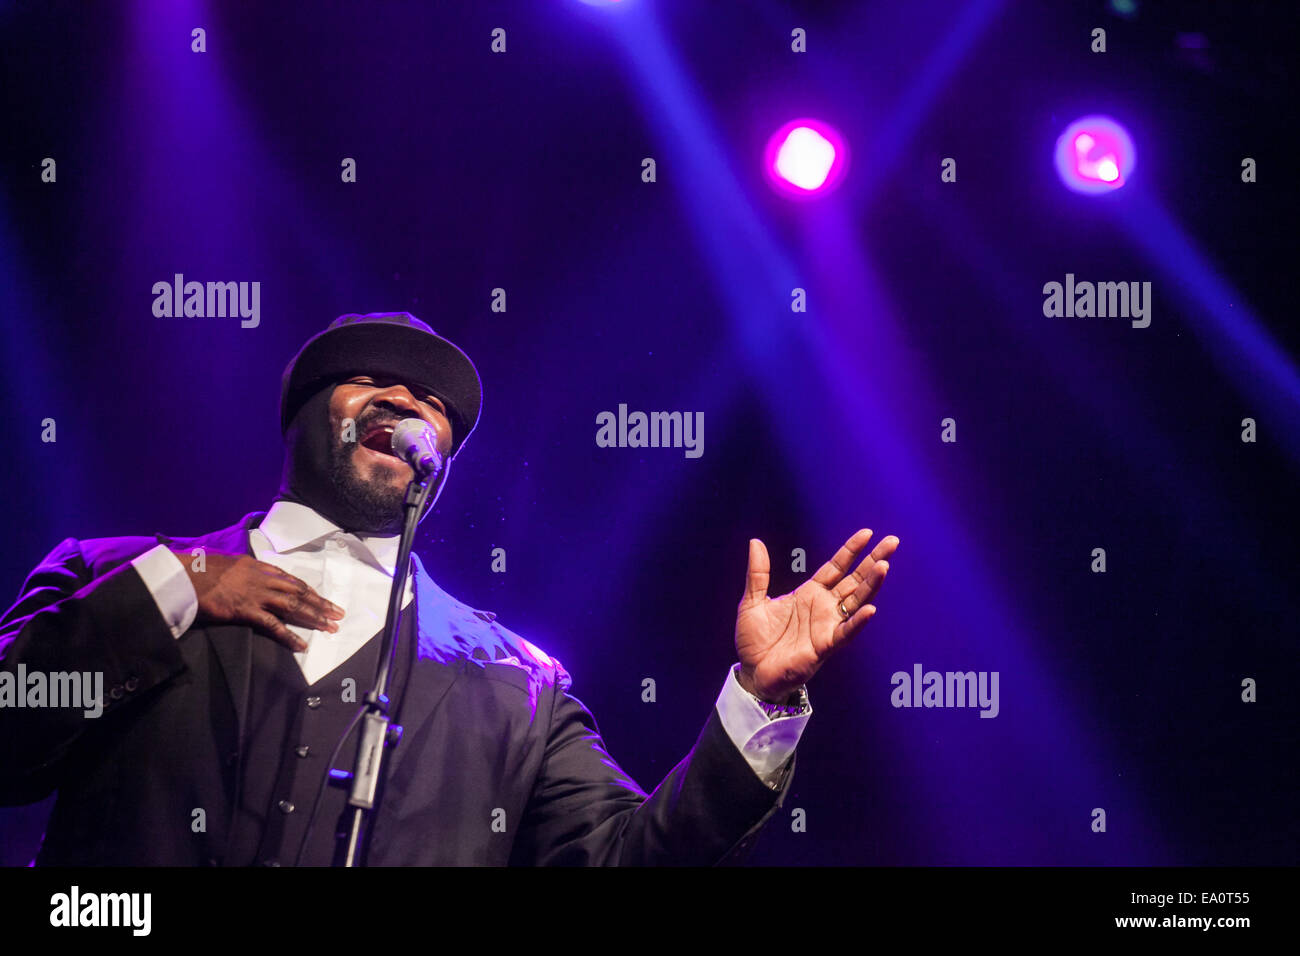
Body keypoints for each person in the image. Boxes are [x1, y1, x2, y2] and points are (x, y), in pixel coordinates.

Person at [0, 311, 898, 866]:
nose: (402, 400)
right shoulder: (111, 572)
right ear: (304, 416)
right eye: (369, 380)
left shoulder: (520, 682)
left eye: (428, 404)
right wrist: (178, 585)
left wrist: (755, 703)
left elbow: (627, 857)